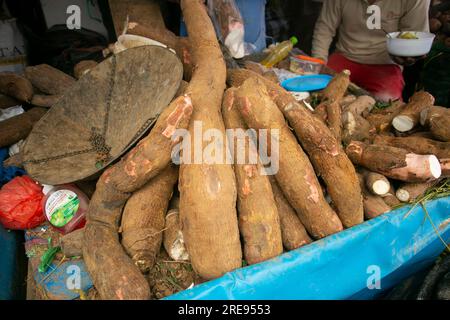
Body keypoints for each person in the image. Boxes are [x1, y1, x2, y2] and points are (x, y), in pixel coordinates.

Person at [312, 0, 431, 101]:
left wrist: (409, 53)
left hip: (386, 63)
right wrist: (318, 61)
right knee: (318, 93)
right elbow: (325, 27)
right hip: (345, 55)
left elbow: (414, 36)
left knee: (387, 102)